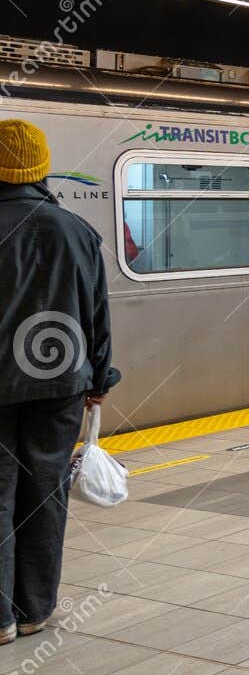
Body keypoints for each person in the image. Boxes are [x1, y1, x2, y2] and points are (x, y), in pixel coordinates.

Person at [0, 120, 119, 646]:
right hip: (61, 383)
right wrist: (100, 378)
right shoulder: (76, 230)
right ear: (40, 168)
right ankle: (34, 610)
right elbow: (97, 315)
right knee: (46, 491)